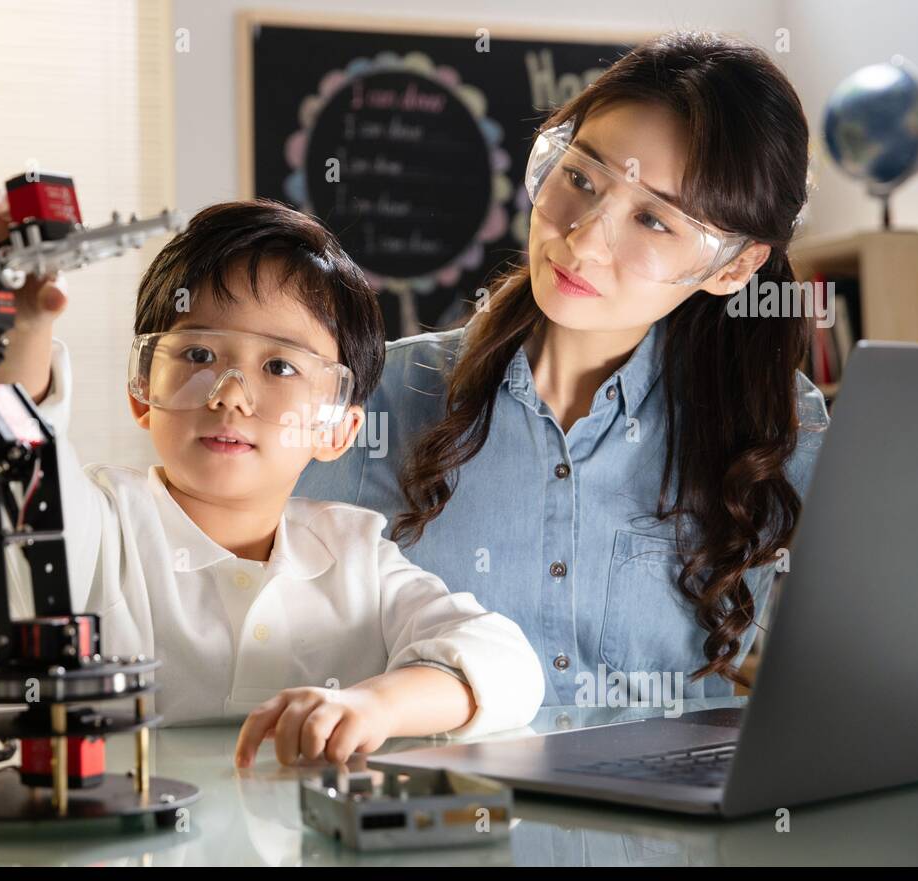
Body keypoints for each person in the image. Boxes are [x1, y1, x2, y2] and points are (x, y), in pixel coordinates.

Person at [0, 199, 544, 768]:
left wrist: (374, 706)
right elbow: (23, 468)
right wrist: (27, 323)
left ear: (338, 429)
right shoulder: (102, 521)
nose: (231, 395)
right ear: (144, 391)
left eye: (280, 365)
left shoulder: (356, 554)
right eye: (199, 355)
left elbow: (506, 664)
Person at [291, 30, 829, 704]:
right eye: (579, 178)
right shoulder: (369, 400)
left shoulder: (781, 426)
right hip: (436, 804)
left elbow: (854, 675)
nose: (582, 238)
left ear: (736, 267)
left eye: (654, 222)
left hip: (663, 812)